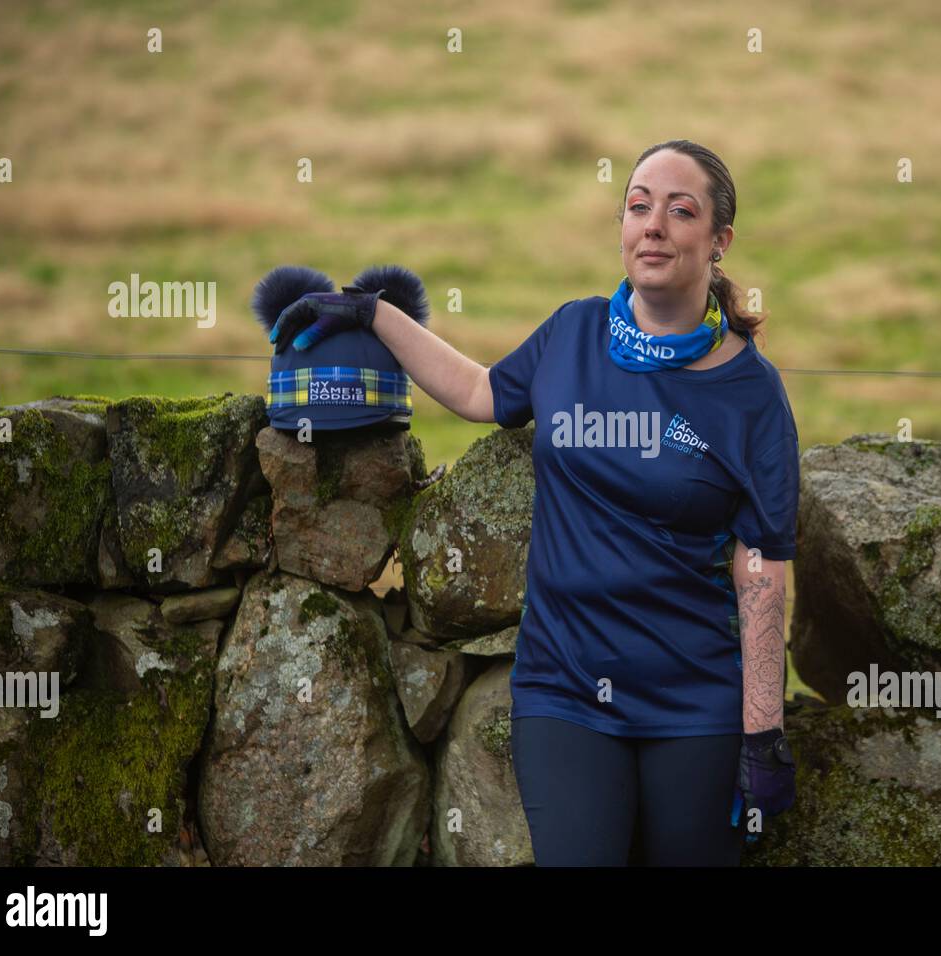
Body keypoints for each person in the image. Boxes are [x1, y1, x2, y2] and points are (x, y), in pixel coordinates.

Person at [269, 139, 800, 866]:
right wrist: (372, 314)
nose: (653, 226)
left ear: (719, 241)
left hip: (696, 701)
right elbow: (481, 392)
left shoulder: (751, 391)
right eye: (637, 206)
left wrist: (763, 730)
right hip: (566, 692)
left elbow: (762, 561)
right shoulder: (572, 334)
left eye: (680, 211)